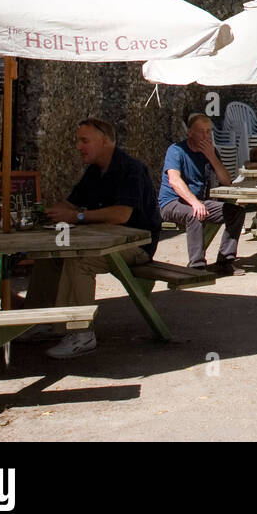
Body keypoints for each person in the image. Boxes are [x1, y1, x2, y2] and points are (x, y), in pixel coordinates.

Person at [22, 118, 161, 359]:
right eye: (78, 140)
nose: (78, 146)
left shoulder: (131, 169)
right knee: (49, 255)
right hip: (106, 243)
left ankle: (81, 333)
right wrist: (47, 213)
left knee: (79, 260)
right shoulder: (95, 171)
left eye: (84, 140)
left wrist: (76, 216)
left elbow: (121, 214)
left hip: (136, 246)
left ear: (104, 141)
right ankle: (43, 321)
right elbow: (71, 202)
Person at [158, 113, 246, 278]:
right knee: (194, 214)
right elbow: (174, 181)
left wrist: (212, 157)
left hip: (198, 201)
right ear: (190, 132)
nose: (206, 136)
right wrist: (194, 203)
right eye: (202, 132)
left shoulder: (211, 152)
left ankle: (225, 262)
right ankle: (197, 267)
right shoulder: (176, 150)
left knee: (236, 212)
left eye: (208, 131)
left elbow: (226, 181)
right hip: (171, 202)